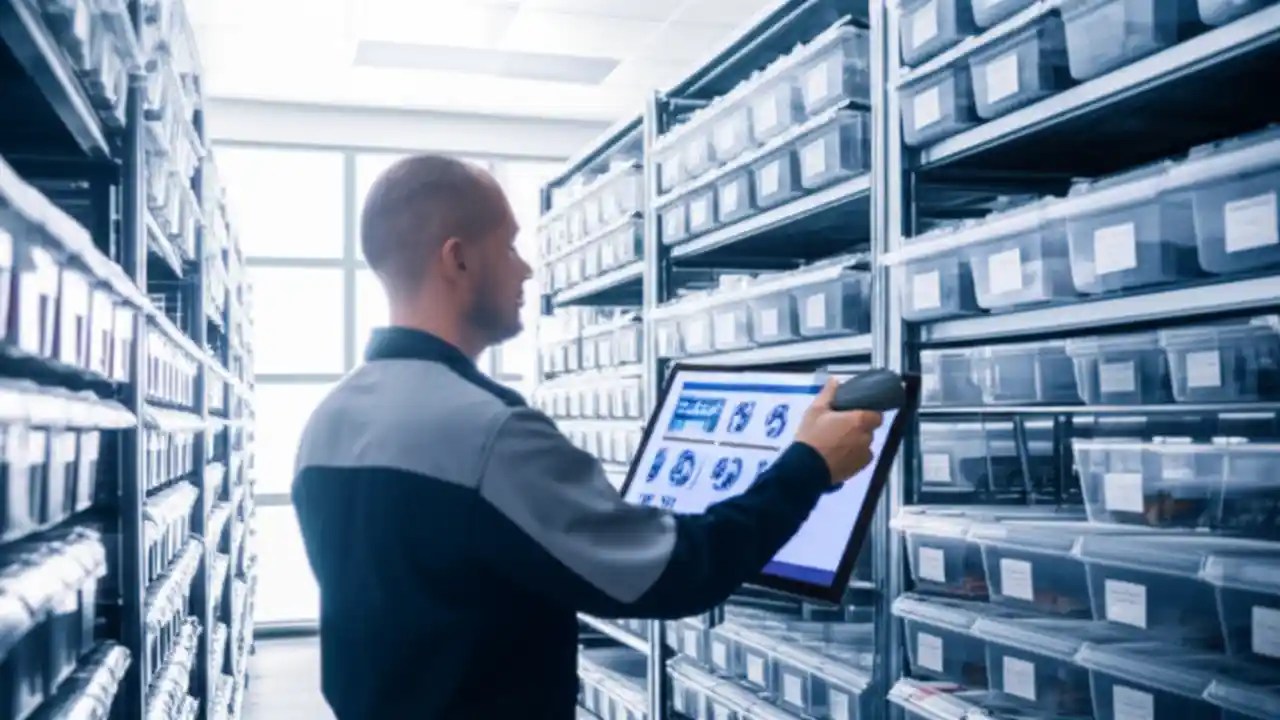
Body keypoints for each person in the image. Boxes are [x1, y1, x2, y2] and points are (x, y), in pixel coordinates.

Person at [291, 155, 884, 719]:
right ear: (458, 259)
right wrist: (810, 465)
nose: (525, 268)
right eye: (510, 244)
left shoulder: (326, 422)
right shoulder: (488, 433)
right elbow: (673, 571)